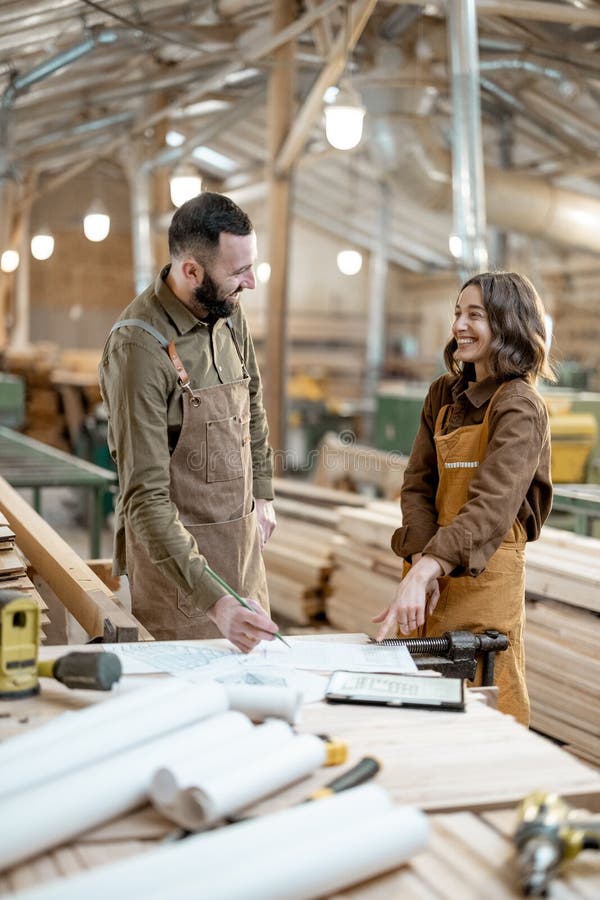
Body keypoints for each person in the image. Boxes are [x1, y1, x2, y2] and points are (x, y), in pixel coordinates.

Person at [99, 191, 280, 652]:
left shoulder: (228, 313)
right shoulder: (139, 349)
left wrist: (262, 492)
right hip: (179, 584)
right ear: (191, 271)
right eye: (239, 272)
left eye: (251, 266)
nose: (252, 283)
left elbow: (252, 403)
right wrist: (215, 602)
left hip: (242, 554)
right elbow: (145, 500)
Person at [373, 271, 555, 725]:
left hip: (485, 584)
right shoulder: (442, 394)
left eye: (476, 315)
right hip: (431, 581)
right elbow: (417, 485)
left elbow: (492, 506)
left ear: (508, 325)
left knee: (487, 705)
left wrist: (428, 568)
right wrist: (420, 564)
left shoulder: (519, 406)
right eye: (457, 313)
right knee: (422, 703)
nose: (460, 325)